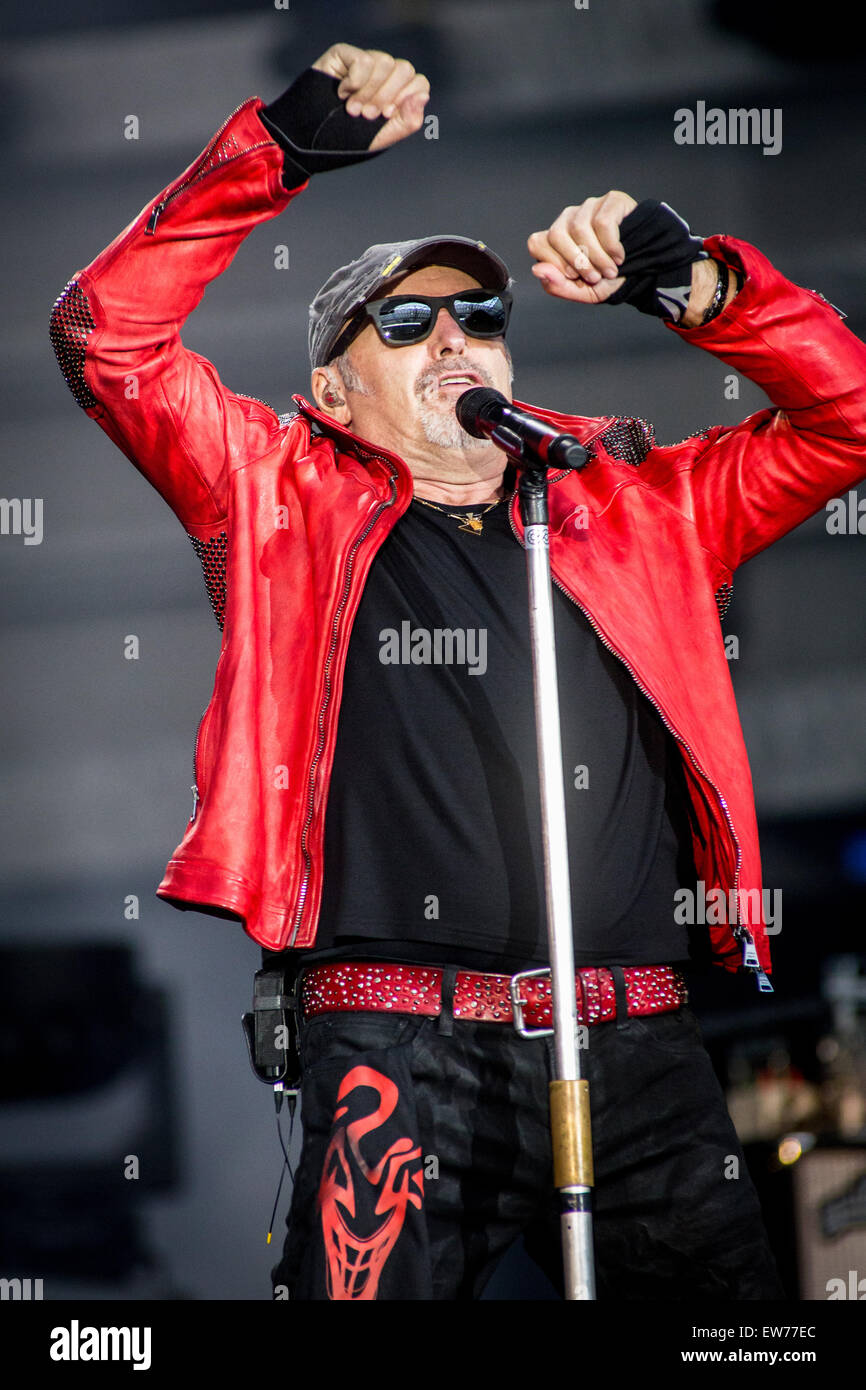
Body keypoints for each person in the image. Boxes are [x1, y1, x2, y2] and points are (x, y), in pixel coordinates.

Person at [50, 42, 866, 1302]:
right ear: (330, 386)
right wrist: (280, 149)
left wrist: (697, 282)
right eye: (408, 321)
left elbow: (845, 416)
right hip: (395, 1051)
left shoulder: (641, 503)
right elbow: (104, 335)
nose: (454, 342)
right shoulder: (273, 491)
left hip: (633, 1042)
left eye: (480, 319)